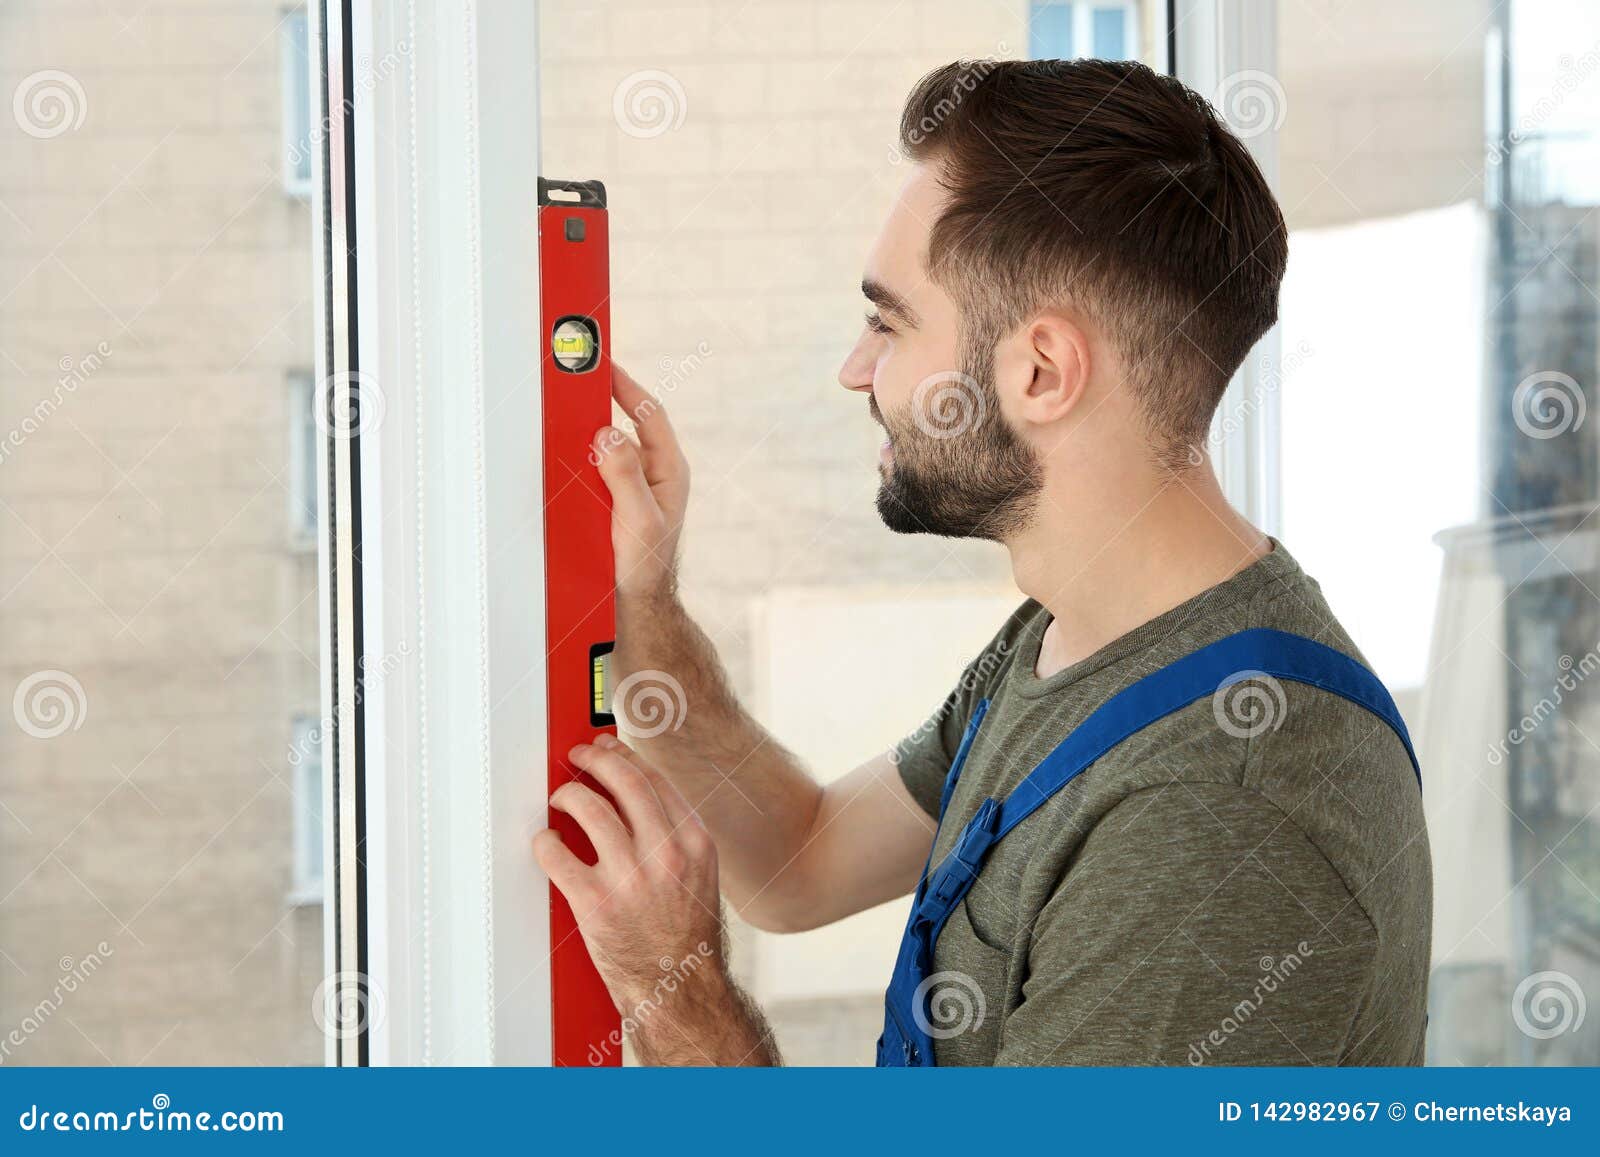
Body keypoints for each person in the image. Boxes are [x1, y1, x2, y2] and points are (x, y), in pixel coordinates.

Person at [531, 58, 1432, 1067]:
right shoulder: (1075, 636)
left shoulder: (1222, 805)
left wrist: (676, 990)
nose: (855, 370)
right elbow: (800, 857)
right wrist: (644, 598)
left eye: (888, 322)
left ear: (1040, 371)